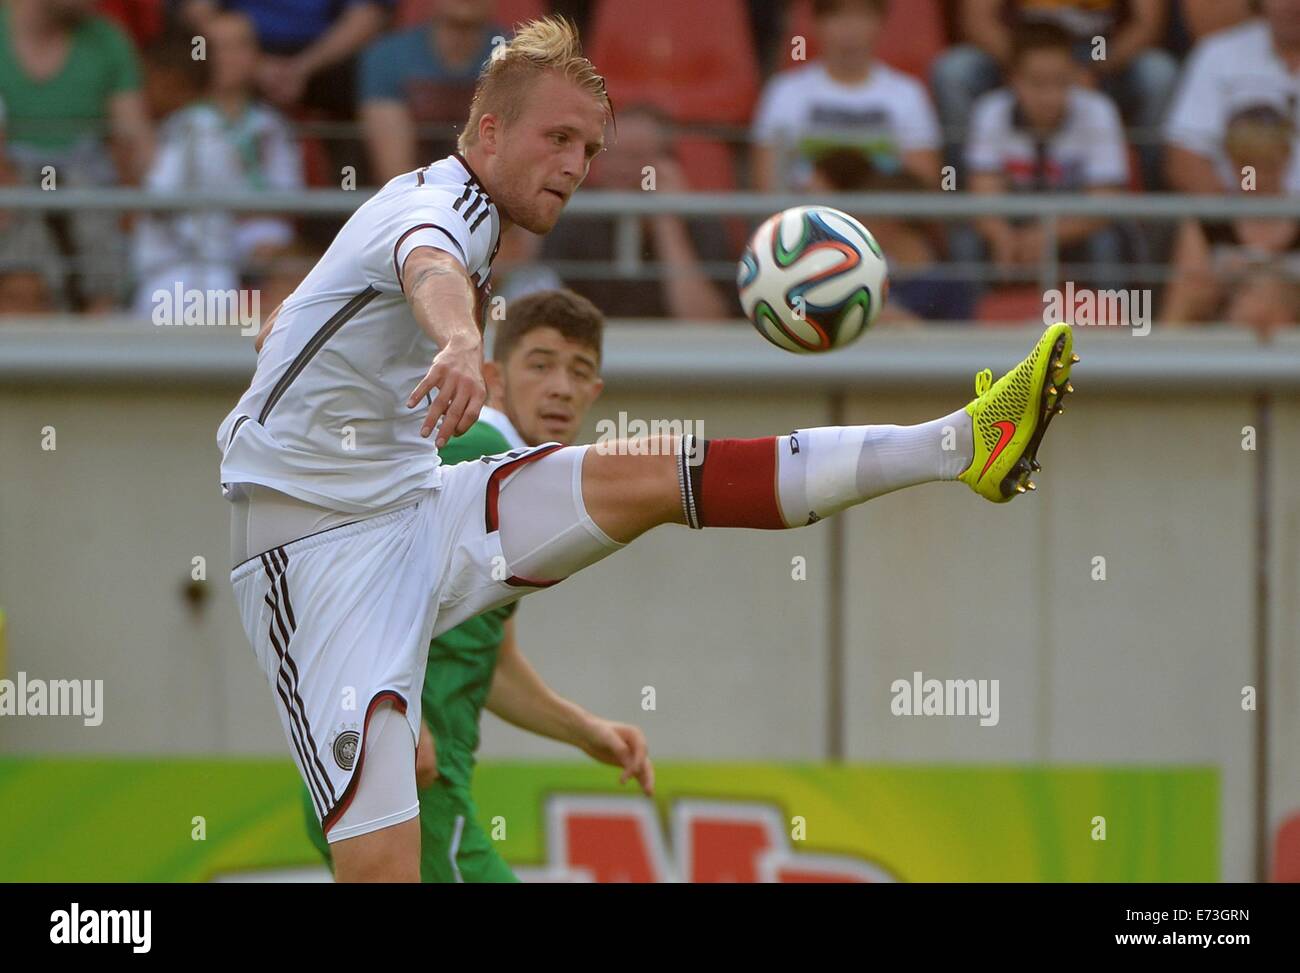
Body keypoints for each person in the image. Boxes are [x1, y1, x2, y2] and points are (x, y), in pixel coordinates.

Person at [218, 16, 1079, 882]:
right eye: (557, 138)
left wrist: (294, 353)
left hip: (414, 508)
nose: (574, 167)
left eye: (588, 150)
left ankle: (961, 443)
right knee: (380, 870)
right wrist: (455, 338)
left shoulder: (467, 221)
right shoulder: (435, 208)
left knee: (663, 472)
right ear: (488, 130)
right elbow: (426, 263)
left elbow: (330, 319)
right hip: (313, 555)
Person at [299, 288, 655, 882]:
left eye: (579, 371)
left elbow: (497, 663)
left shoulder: (525, 481)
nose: (561, 387)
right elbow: (342, 567)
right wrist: (390, 720)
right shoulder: (473, 448)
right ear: (493, 374)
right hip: (404, 782)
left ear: (595, 393)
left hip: (406, 778)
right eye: (540, 365)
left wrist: (584, 732)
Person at [131, 13, 303, 316]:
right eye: (218, 47)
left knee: (286, 264)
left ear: (256, 55)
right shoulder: (181, 124)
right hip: (194, 252)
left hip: (259, 241)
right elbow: (160, 199)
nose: (230, 57)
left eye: (240, 46)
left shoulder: (273, 125)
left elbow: (290, 196)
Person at [0, 0, 152, 310]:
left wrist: (130, 182)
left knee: (98, 227)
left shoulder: (107, 37)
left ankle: (99, 335)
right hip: (12, 183)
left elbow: (136, 142)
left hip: (89, 181)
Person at [963, 22, 1131, 290]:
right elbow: (983, 195)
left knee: (1106, 241)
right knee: (968, 241)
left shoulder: (1099, 110)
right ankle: (967, 327)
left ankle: (1111, 324)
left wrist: (1046, 236)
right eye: (1037, 83)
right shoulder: (990, 111)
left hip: (1074, 227)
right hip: (1015, 223)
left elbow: (1105, 202)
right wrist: (1002, 236)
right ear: (1013, 79)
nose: (1050, 96)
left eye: (1061, 82)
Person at [750, 0, 941, 191]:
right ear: (817, 24)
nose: (849, 30)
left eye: (861, 17)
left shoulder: (909, 93)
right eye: (837, 17)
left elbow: (920, 188)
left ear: (880, 23)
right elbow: (767, 186)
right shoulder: (784, 91)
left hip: (881, 218)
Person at [1163, 103, 1300, 335]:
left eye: (1268, 165)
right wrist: (1219, 286)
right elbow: (1177, 314)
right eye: (1248, 166)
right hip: (1222, 344)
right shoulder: (1209, 222)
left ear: (1286, 158)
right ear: (1231, 161)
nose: (1257, 177)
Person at [1164, 0, 1300, 195]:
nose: (1294, 5)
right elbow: (1186, 157)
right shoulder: (1218, 54)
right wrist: (1235, 220)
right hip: (1234, 213)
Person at [358, 0, 502, 183]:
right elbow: (396, 174)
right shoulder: (386, 58)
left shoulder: (519, 60)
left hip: (495, 204)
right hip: (415, 202)